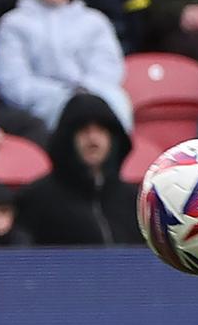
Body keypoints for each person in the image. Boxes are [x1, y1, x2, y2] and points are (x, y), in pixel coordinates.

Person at [0, 0, 131, 135]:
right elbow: (13, 82)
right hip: (44, 105)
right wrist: (62, 95)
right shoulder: (13, 24)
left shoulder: (94, 21)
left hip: (93, 95)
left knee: (116, 100)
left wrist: (84, 91)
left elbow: (109, 69)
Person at [14, 92, 142, 245]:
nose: (93, 139)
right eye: (84, 131)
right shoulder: (36, 199)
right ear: (67, 139)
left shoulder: (135, 202)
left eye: (101, 130)